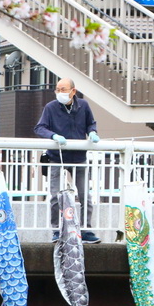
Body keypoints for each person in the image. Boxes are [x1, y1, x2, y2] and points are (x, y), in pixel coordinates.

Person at [34, 77, 101, 244]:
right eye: (57, 89)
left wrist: (92, 132)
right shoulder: (50, 107)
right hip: (56, 156)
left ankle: (86, 229)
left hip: (79, 156)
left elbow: (90, 124)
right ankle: (56, 230)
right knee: (55, 195)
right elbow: (40, 127)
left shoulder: (83, 106)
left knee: (85, 195)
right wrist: (53, 136)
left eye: (63, 89)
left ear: (73, 91)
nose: (60, 93)